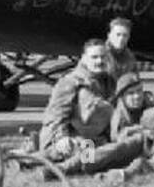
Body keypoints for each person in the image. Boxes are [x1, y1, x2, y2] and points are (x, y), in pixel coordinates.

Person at [40, 39, 144, 176]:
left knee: (123, 148)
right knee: (97, 153)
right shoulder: (71, 81)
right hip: (67, 139)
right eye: (94, 57)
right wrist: (61, 137)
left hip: (95, 137)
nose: (99, 61)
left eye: (103, 57)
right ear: (83, 58)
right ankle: (60, 167)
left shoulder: (109, 81)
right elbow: (55, 114)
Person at [103, 16, 138, 84]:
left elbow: (135, 83)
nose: (121, 39)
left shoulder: (130, 58)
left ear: (129, 37)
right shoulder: (97, 54)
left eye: (125, 35)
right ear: (109, 35)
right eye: (118, 35)